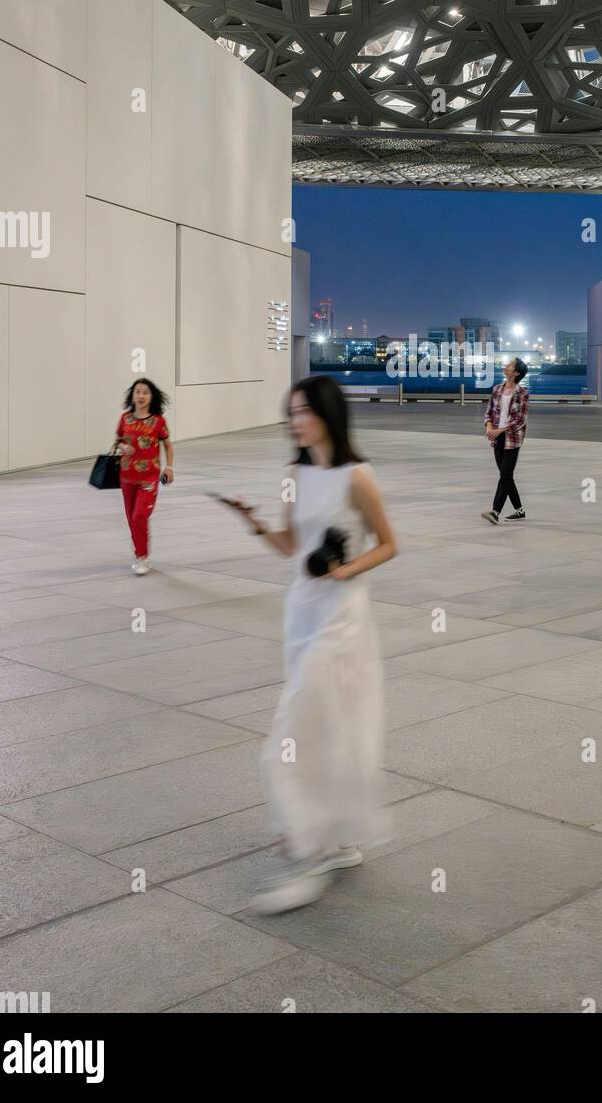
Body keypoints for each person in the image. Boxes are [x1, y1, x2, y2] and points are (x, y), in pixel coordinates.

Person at [223, 375, 397, 913]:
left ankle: (314, 847)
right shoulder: (295, 473)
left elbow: (389, 544)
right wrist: (252, 524)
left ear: (327, 413)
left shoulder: (356, 477)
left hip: (340, 620)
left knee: (290, 735)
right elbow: (290, 547)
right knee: (326, 725)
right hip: (300, 612)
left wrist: (346, 571)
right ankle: (338, 840)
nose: (294, 420)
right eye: (290, 412)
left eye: (303, 411)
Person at [114, 379, 173, 575]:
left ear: (151, 397)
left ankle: (142, 557)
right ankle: (140, 552)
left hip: (149, 478)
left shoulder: (158, 421)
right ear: (132, 395)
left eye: (145, 392)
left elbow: (168, 446)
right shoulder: (125, 419)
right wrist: (124, 447)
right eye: (137, 392)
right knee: (132, 519)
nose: (140, 396)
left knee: (140, 515)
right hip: (127, 477)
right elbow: (118, 442)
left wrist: (169, 467)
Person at [481, 357, 529, 524]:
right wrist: (489, 428)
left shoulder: (522, 393)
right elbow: (488, 412)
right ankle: (520, 510)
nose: (506, 366)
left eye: (510, 365)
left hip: (512, 439)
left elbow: (520, 419)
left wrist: (499, 430)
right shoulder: (497, 390)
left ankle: (495, 511)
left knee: (505, 474)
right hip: (497, 438)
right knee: (506, 476)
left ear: (516, 373)